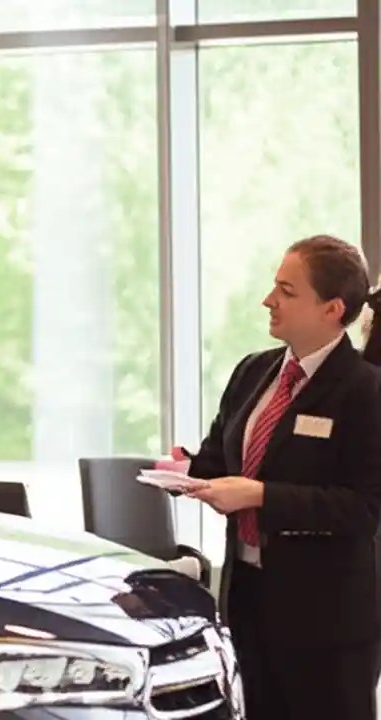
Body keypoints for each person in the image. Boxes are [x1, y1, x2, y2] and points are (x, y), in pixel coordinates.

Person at [185, 234, 381, 720]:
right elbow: (217, 458)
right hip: (248, 601)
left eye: (287, 291)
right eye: (274, 286)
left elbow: (364, 508)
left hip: (327, 621)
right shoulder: (253, 372)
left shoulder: (366, 391)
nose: (268, 300)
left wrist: (260, 495)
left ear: (332, 309)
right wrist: (183, 472)